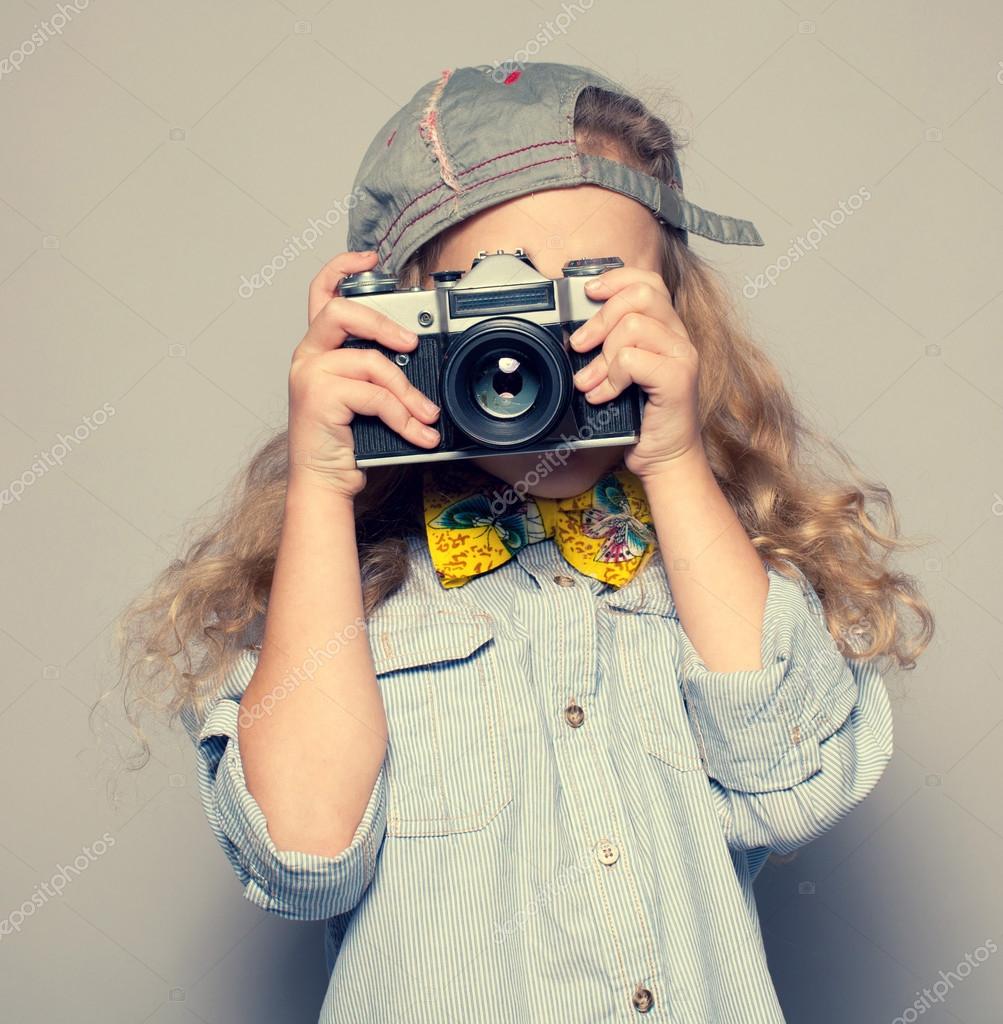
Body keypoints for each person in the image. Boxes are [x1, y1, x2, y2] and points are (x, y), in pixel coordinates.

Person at [116, 62, 934, 1023]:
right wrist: (324, 491)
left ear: (673, 318)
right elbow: (305, 858)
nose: (527, 351)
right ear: (400, 323)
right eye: (490, 301)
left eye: (586, 297)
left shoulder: (708, 583)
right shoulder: (348, 607)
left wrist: (671, 459)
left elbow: (790, 787)